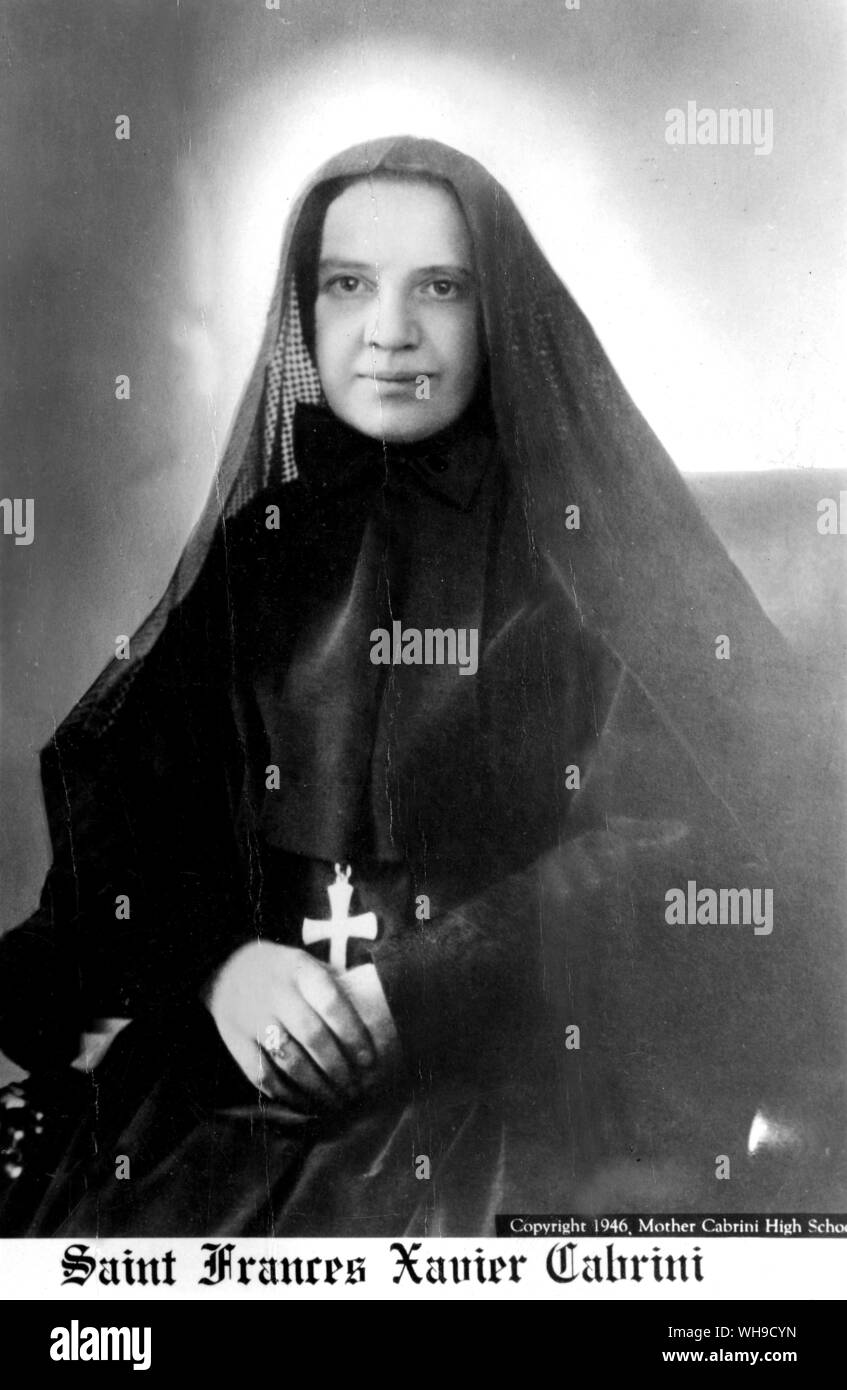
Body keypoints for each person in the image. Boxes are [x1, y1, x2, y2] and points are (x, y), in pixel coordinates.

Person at [0, 135, 844, 1236]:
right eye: (347, 284)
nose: (390, 330)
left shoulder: (583, 555)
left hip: (520, 1072)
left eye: (439, 287)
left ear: (495, 309)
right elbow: (137, 826)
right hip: (248, 1078)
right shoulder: (262, 551)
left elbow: (692, 841)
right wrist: (222, 969)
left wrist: (419, 992)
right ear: (304, 313)